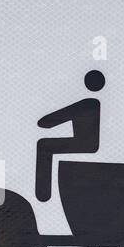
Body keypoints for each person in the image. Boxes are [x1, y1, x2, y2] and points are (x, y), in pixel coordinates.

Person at [35, 69, 104, 202]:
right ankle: (43, 194)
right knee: (44, 144)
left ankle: (43, 193)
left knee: (44, 145)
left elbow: (49, 121)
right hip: (87, 143)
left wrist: (43, 122)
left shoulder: (86, 104)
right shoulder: (93, 103)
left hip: (84, 143)